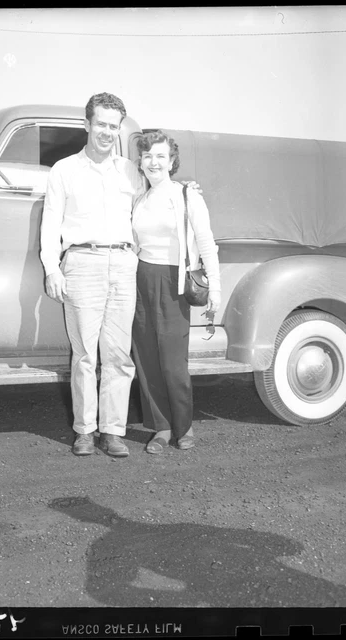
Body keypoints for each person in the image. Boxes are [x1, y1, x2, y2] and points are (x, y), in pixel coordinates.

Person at [39, 92, 143, 458]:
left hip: (122, 264)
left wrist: (185, 193)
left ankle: (113, 431)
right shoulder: (64, 170)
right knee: (85, 354)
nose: (107, 132)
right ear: (86, 124)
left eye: (113, 127)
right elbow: (50, 223)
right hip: (82, 263)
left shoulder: (131, 171)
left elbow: (149, 211)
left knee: (117, 353)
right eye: (100, 124)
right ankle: (85, 430)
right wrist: (52, 267)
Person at [131, 130, 221, 454]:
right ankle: (161, 427)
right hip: (141, 279)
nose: (153, 162)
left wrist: (216, 288)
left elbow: (207, 243)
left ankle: (184, 426)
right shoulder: (139, 200)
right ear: (140, 162)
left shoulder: (187, 196)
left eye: (160, 156)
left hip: (174, 282)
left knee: (172, 362)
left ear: (171, 161)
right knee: (146, 358)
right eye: (147, 156)